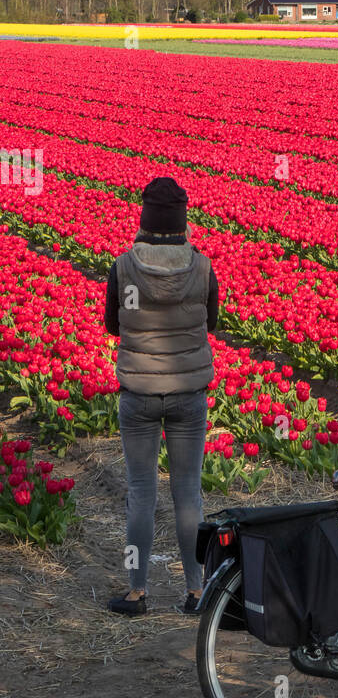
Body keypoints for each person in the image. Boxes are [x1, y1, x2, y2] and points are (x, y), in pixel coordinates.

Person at [104, 177, 218, 616]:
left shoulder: (123, 267)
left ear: (144, 219)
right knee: (188, 492)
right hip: (189, 394)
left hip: (139, 394)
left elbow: (114, 325)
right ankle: (196, 593)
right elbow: (210, 322)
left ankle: (137, 593)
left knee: (141, 491)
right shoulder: (202, 267)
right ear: (182, 221)